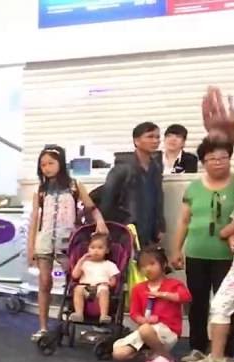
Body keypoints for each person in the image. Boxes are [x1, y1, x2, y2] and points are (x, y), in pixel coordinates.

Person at [169, 137, 234, 362]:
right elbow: (183, 220)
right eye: (212, 159)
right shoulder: (194, 187)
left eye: (224, 158)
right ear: (203, 162)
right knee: (198, 302)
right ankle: (197, 348)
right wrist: (176, 249)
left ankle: (226, 353)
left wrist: (231, 235)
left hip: (227, 255)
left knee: (226, 305)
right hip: (197, 251)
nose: (219, 162)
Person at [27, 146, 107, 341]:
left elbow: (91, 207)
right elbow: (34, 219)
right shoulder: (40, 190)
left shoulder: (74, 185)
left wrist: (100, 221)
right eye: (43, 164)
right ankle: (44, 327)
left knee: (75, 282)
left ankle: (76, 322)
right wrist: (31, 247)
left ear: (60, 163)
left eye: (51, 163)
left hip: (68, 241)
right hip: (44, 241)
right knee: (44, 283)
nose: (47, 168)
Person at [186, 197, 234, 362]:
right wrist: (232, 237)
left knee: (220, 307)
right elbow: (228, 230)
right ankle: (217, 359)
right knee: (220, 306)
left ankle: (218, 359)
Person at [113, 246, 191, 362]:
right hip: (147, 329)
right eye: (143, 266)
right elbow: (134, 313)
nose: (147, 269)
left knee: (145, 330)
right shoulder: (138, 289)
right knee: (118, 354)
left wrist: (163, 295)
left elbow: (185, 297)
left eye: (152, 264)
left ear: (163, 264)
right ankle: (150, 353)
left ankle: (166, 357)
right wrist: (143, 320)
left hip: (168, 331)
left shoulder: (174, 284)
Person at [100, 122, 164, 249]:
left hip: (150, 231)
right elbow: (107, 202)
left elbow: (158, 198)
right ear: (137, 141)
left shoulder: (155, 167)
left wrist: (161, 226)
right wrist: (116, 228)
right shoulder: (122, 168)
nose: (155, 141)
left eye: (157, 137)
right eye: (150, 137)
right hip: (128, 229)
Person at [70, 234, 120, 323]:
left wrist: (110, 283)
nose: (96, 251)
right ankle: (78, 313)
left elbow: (113, 280)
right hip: (85, 287)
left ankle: (104, 315)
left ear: (107, 250)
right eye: (92, 248)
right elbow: (75, 275)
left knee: (104, 291)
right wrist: (81, 260)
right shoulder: (85, 263)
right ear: (88, 249)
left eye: (100, 248)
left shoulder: (109, 264)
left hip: (101, 286)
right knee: (77, 289)